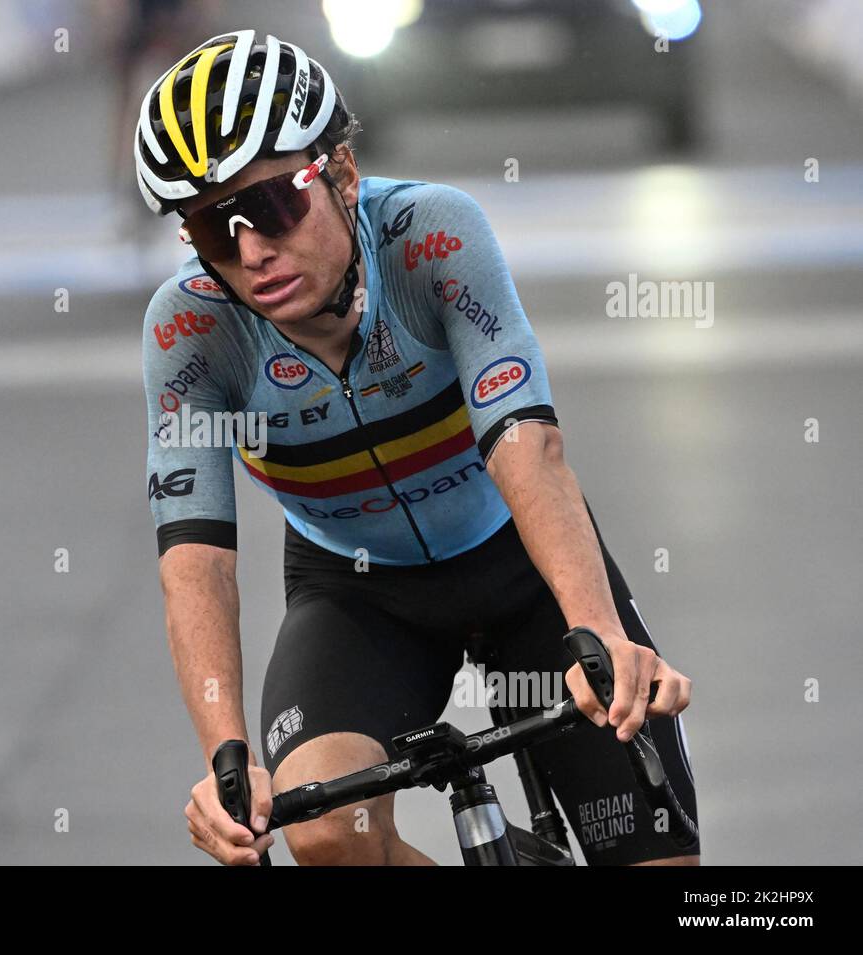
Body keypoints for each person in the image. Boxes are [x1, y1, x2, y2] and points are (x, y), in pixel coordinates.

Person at [137, 30, 699, 866]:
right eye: (216, 231)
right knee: (327, 833)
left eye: (276, 207)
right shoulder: (189, 331)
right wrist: (227, 761)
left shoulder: (431, 237)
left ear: (342, 175)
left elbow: (525, 443)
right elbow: (197, 559)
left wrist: (595, 630)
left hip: (521, 566)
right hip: (360, 596)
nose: (253, 251)